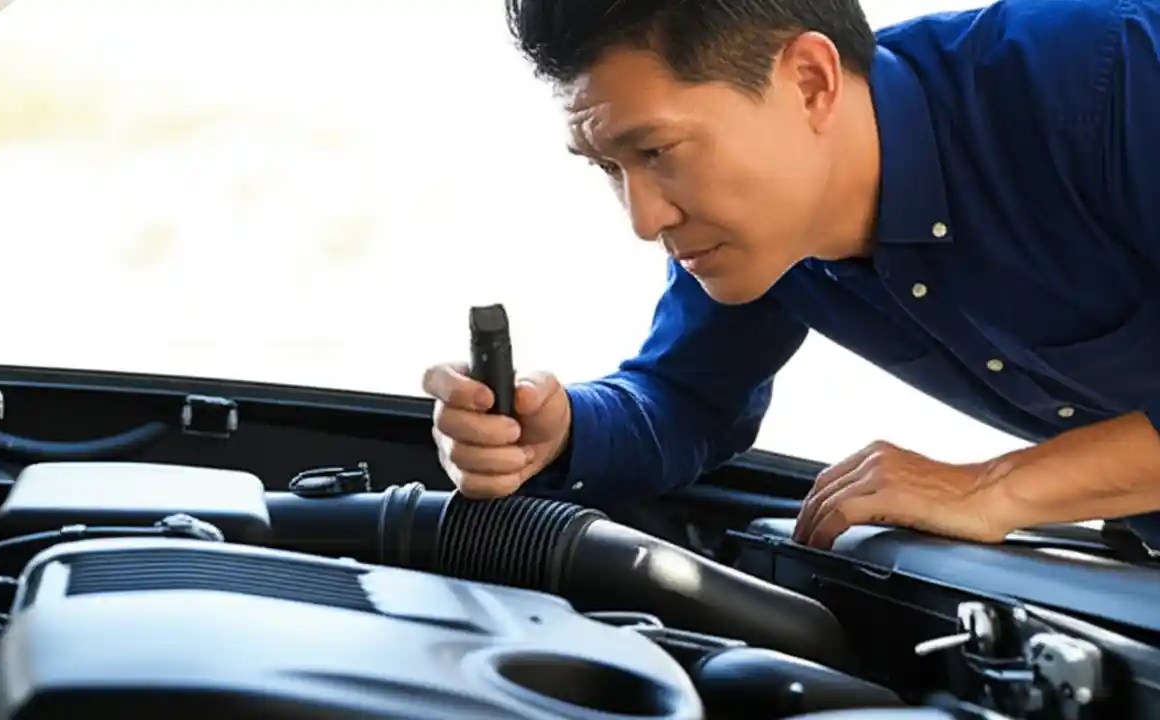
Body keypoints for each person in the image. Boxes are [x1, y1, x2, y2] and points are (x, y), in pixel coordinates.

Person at [422, 0, 1160, 551]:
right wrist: (560, 432)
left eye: (656, 152)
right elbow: (682, 398)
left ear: (810, 81)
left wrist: (993, 488)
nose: (644, 220)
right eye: (609, 168)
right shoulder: (757, 236)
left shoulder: (1115, 74)